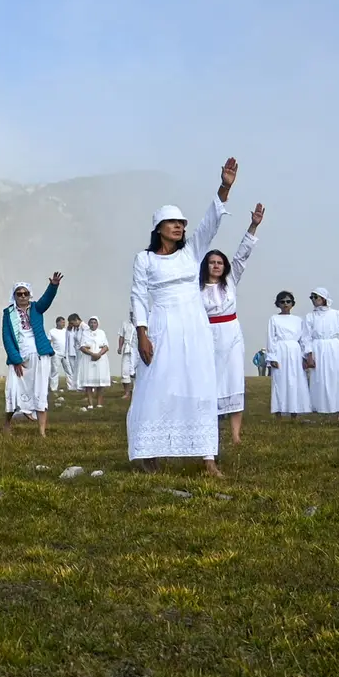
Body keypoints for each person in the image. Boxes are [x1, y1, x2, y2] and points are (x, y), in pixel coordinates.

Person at [128, 158, 240, 473]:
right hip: (163, 324)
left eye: (182, 223)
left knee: (200, 384)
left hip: (194, 325)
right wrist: (142, 334)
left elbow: (210, 223)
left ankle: (207, 457)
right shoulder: (145, 259)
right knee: (157, 385)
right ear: (159, 228)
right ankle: (148, 451)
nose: (179, 226)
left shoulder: (192, 251)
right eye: (173, 222)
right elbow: (137, 295)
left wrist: (225, 187)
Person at [199, 203, 263, 444]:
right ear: (205, 265)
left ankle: (236, 434)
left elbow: (242, 255)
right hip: (208, 335)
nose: (216, 265)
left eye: (219, 262)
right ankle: (210, 429)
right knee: (210, 382)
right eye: (212, 262)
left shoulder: (231, 280)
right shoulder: (197, 289)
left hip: (231, 333)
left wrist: (253, 225)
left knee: (234, 378)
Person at [1, 277, 63, 434]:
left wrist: (53, 286)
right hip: (19, 357)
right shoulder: (8, 313)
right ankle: (7, 424)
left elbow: (46, 300)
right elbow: (7, 337)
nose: (22, 296)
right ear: (14, 295)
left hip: (40, 355)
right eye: (19, 294)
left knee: (40, 391)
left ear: (30, 295)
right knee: (13, 390)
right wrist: (15, 359)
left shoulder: (36, 308)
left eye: (25, 293)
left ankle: (42, 431)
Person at [300, 288, 339, 422]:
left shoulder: (336, 314)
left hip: (332, 347)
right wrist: (309, 355)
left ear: (324, 298)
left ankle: (338, 410)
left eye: (316, 297)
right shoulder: (310, 316)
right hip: (317, 347)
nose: (313, 300)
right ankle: (319, 409)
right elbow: (306, 337)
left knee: (335, 377)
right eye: (311, 297)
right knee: (318, 378)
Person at [265, 292, 310, 416]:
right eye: (282, 302)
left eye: (288, 301)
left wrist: (304, 356)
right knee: (280, 380)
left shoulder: (298, 320)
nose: (285, 304)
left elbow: (303, 339)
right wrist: (272, 357)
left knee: (295, 380)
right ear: (278, 304)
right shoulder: (274, 319)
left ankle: (294, 410)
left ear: (292, 304)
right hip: (280, 350)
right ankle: (279, 410)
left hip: (294, 352)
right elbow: (271, 338)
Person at [74, 315, 110, 409]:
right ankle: (90, 403)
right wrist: (92, 354)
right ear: (88, 323)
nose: (93, 324)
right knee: (88, 382)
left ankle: (99, 403)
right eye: (91, 322)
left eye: (95, 322)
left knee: (100, 382)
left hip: (101, 359)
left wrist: (99, 354)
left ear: (98, 324)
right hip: (88, 359)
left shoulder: (101, 333)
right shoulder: (85, 333)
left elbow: (106, 346)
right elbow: (82, 346)